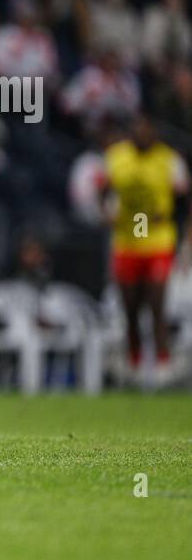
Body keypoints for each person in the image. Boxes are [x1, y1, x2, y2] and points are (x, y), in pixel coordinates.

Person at [101, 114, 190, 387]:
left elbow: (185, 199)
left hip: (157, 239)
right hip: (127, 241)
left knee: (156, 302)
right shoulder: (117, 157)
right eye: (137, 128)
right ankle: (134, 362)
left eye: (146, 128)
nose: (141, 133)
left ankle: (162, 363)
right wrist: (106, 211)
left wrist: (187, 238)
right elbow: (104, 192)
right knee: (130, 306)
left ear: (155, 132)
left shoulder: (169, 160)